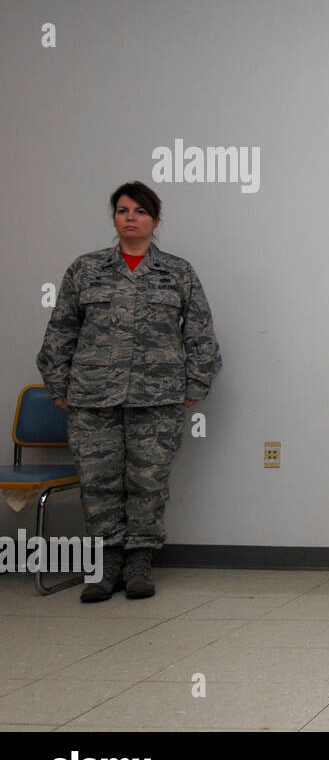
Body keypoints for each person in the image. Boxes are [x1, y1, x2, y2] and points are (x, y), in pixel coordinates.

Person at [36, 181, 222, 602]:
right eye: (122, 210)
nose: (130, 217)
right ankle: (105, 566)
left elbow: (201, 334)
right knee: (98, 483)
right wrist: (58, 384)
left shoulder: (176, 272)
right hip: (92, 398)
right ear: (114, 217)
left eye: (140, 211)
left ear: (156, 221)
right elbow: (61, 331)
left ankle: (140, 563)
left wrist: (195, 384)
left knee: (148, 481)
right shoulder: (85, 270)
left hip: (156, 400)